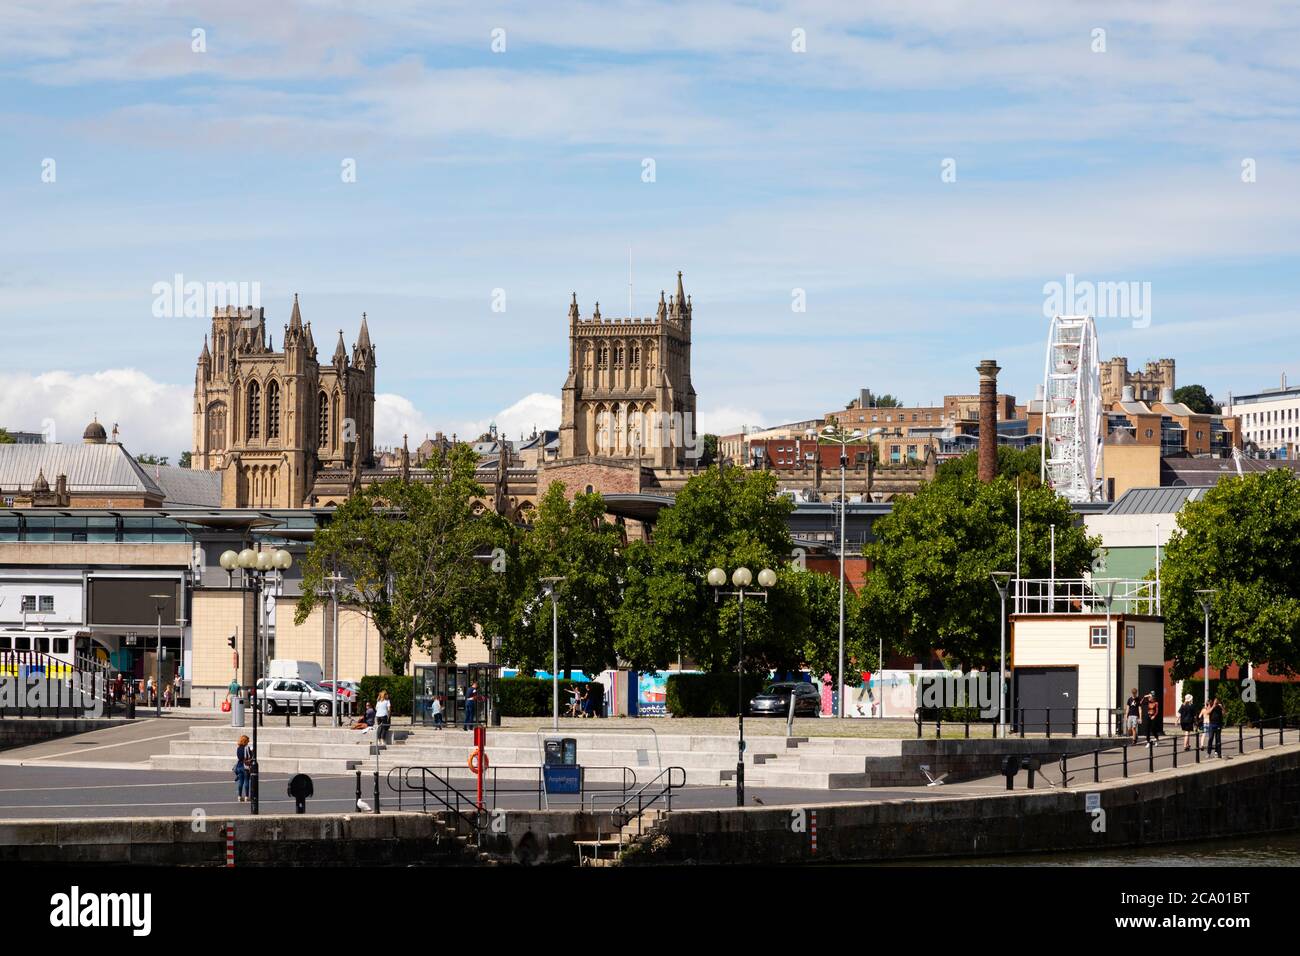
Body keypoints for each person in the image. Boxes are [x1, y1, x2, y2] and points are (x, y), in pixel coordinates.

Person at [234, 734, 252, 802]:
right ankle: (247, 796)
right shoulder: (247, 748)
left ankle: (239, 796)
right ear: (245, 741)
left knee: (240, 782)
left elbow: (239, 757)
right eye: (248, 740)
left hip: (239, 766)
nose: (248, 741)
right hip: (245, 766)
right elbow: (249, 757)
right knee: (246, 781)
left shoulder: (238, 748)